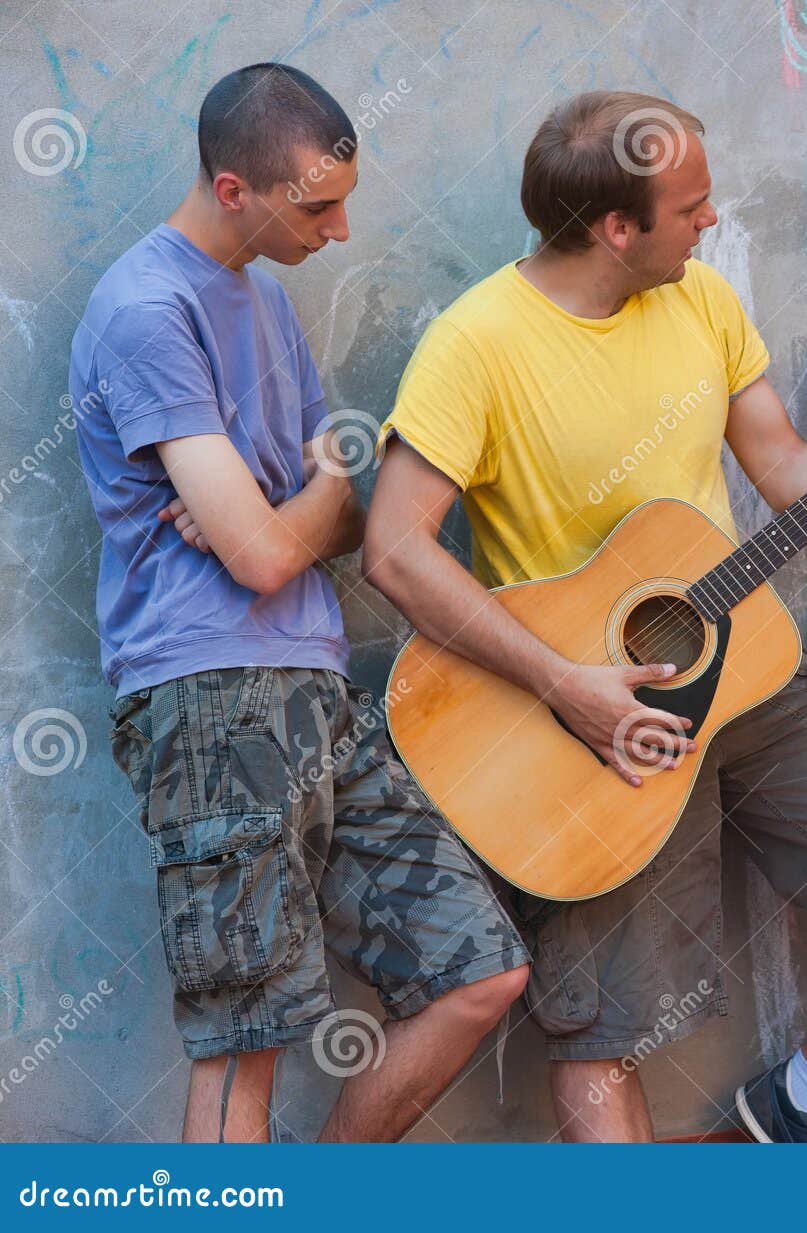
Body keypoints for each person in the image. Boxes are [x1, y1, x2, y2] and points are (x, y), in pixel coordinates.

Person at [363, 90, 807, 1143]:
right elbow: (391, 549)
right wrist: (568, 685)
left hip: (747, 669)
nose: (710, 221)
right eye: (691, 206)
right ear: (617, 230)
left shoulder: (699, 300)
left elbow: (787, 471)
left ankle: (804, 1103)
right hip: (586, 728)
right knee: (609, 1032)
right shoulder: (476, 344)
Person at [72, 63, 531, 1143]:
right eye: (315, 206)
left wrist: (304, 507)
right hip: (211, 698)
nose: (338, 231)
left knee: (480, 970)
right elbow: (272, 552)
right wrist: (295, 516)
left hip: (316, 692)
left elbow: (324, 510)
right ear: (235, 189)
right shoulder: (147, 309)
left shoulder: (264, 298)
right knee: (248, 1042)